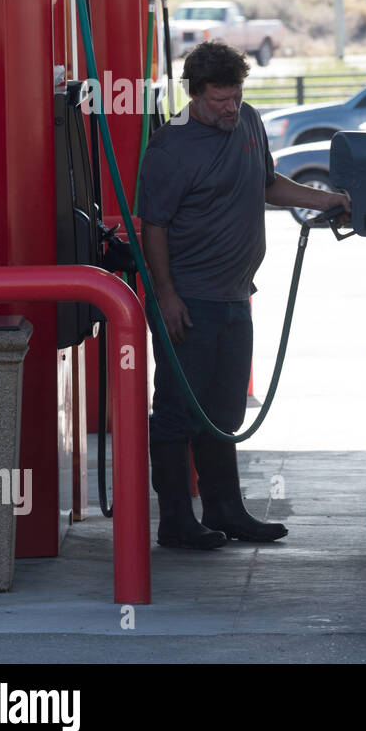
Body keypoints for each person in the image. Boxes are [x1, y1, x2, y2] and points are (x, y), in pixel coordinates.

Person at [137, 40, 350, 549]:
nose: (231, 108)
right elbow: (153, 227)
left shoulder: (248, 122)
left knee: (226, 411)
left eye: (236, 97)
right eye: (219, 100)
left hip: (235, 296)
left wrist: (329, 200)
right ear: (194, 95)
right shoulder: (170, 149)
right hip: (188, 300)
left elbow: (266, 183)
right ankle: (175, 522)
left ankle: (226, 510)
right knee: (177, 409)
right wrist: (166, 296)